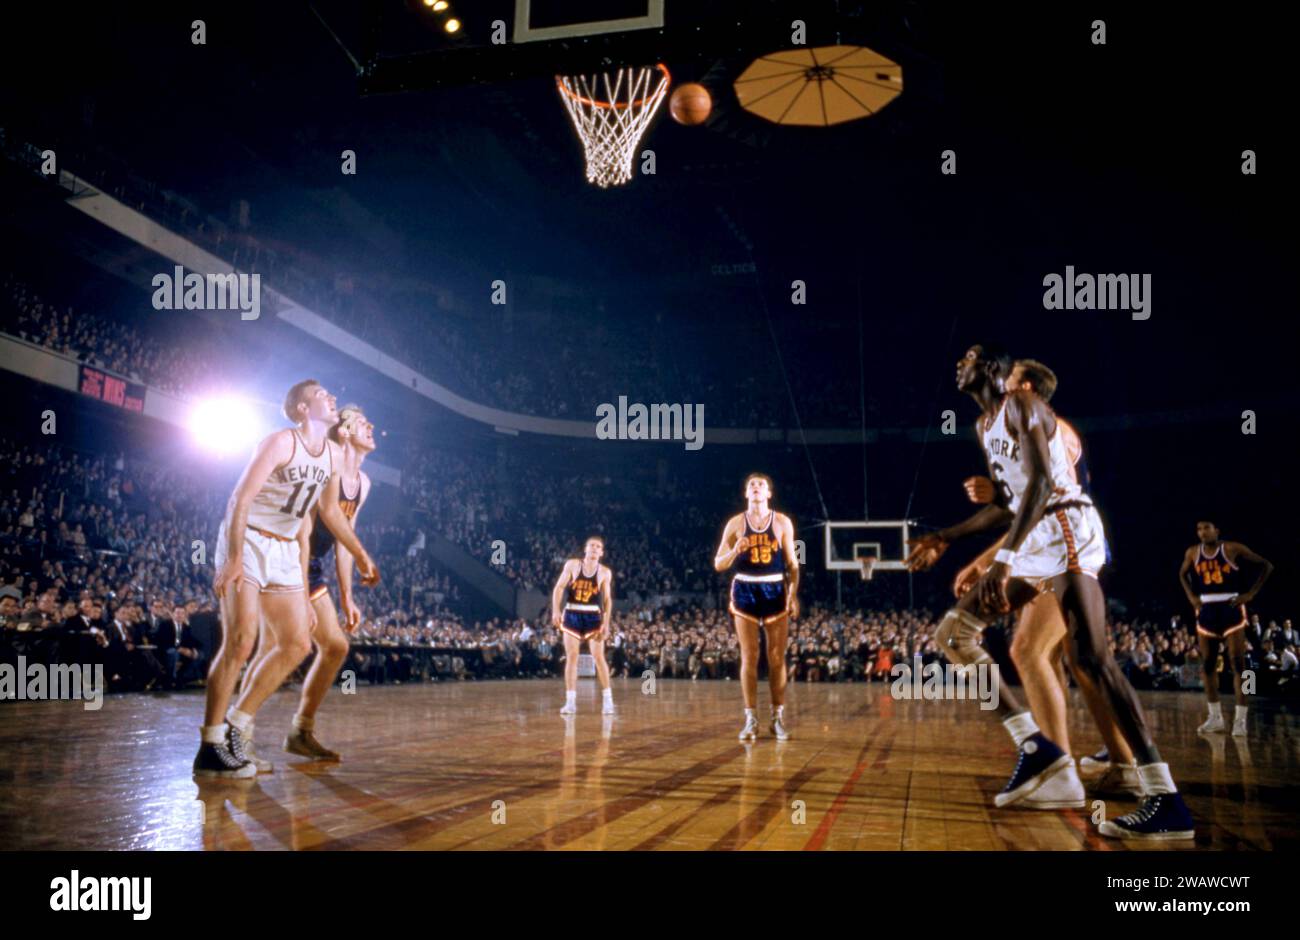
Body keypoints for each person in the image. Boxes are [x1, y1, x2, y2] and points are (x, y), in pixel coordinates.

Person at [908, 344, 1192, 839]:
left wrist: (1002, 559)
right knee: (954, 634)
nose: (960, 360)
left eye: (972, 354)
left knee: (1092, 658)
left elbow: (1041, 485)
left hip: (1065, 524)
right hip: (1036, 531)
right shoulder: (983, 426)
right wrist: (945, 538)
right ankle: (1042, 753)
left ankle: (1164, 798)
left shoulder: (1023, 405)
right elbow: (1009, 505)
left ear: (999, 372)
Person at [953, 359, 1139, 797]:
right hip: (1049, 544)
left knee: (1032, 650)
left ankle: (1063, 765)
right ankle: (1115, 760)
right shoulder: (1010, 424)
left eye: (1011, 378)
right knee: (1072, 657)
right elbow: (1022, 504)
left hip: (1064, 542)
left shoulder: (1044, 423)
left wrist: (993, 557)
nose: (1003, 386)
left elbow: (1042, 499)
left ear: (1027, 387)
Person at [193, 379, 379, 779]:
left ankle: (237, 730)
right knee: (242, 641)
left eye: (331, 392)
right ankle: (210, 744)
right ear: (300, 409)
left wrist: (362, 554)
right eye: (321, 394)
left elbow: (330, 513)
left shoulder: (330, 454)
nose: (331, 395)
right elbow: (239, 499)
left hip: (285, 548)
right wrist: (235, 556)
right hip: (249, 539)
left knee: (296, 644)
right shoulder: (279, 442)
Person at [243, 404, 376, 762]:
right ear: (344, 432)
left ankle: (295, 730)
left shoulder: (362, 483)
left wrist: (348, 595)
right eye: (363, 422)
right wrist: (301, 590)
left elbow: (343, 538)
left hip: (312, 562)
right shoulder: (326, 465)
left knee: (328, 646)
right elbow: (305, 529)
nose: (372, 426)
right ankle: (241, 732)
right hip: (289, 554)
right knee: (288, 646)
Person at [713, 473, 800, 742]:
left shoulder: (783, 522)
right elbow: (718, 564)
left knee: (776, 658)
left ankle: (777, 718)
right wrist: (734, 551)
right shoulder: (736, 523)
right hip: (745, 588)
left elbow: (793, 565)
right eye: (751, 484)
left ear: (769, 493)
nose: (756, 488)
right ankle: (751, 718)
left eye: (761, 485)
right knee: (749, 656)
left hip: (775, 588)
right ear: (745, 493)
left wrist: (793, 594)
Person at [1179, 521, 1273, 736]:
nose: (1202, 532)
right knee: (1208, 665)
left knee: (1240, 664)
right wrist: (1191, 596)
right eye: (1199, 529)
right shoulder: (1193, 552)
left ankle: (1241, 719)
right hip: (1206, 609)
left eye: (1207, 527)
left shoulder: (1232, 548)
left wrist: (1251, 594)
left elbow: (1267, 565)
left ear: (1217, 530)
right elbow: (1182, 574)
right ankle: (1215, 717)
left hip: (1231, 606)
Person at [551, 536, 615, 715]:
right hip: (572, 612)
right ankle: (570, 702)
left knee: (598, 656)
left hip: (593, 615)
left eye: (598, 547)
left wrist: (606, 623)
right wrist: (556, 610)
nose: (595, 548)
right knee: (572, 656)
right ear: (585, 549)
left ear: (601, 553)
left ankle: (608, 700)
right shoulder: (572, 565)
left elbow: (608, 599)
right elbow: (559, 588)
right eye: (592, 545)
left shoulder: (604, 572)